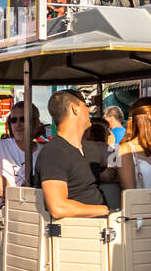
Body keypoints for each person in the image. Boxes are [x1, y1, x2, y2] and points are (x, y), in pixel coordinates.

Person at [33, 90, 110, 218]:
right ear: (74, 109)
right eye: (85, 105)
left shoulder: (91, 149)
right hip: (75, 231)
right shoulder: (53, 153)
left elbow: (109, 175)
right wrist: (105, 210)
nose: (89, 110)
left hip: (105, 226)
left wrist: (119, 151)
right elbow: (58, 207)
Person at [0, 102, 42, 203]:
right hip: (6, 211)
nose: (18, 124)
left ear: (35, 123)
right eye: (13, 120)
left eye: (23, 119)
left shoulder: (44, 151)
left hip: (38, 210)